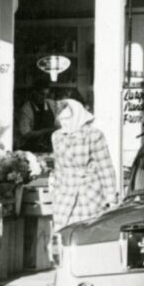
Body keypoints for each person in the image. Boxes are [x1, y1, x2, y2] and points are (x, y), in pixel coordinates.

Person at [49, 98, 120, 233]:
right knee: (63, 234)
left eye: (68, 118)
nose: (65, 123)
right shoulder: (56, 136)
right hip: (64, 193)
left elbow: (105, 167)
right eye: (62, 119)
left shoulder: (94, 135)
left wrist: (111, 197)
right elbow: (58, 166)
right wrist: (54, 191)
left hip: (88, 193)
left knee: (87, 233)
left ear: (77, 115)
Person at [14, 78, 58, 154]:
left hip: (50, 149)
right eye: (42, 94)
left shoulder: (51, 104)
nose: (44, 98)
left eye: (46, 95)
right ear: (34, 92)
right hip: (32, 150)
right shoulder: (26, 109)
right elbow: (25, 134)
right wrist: (47, 131)